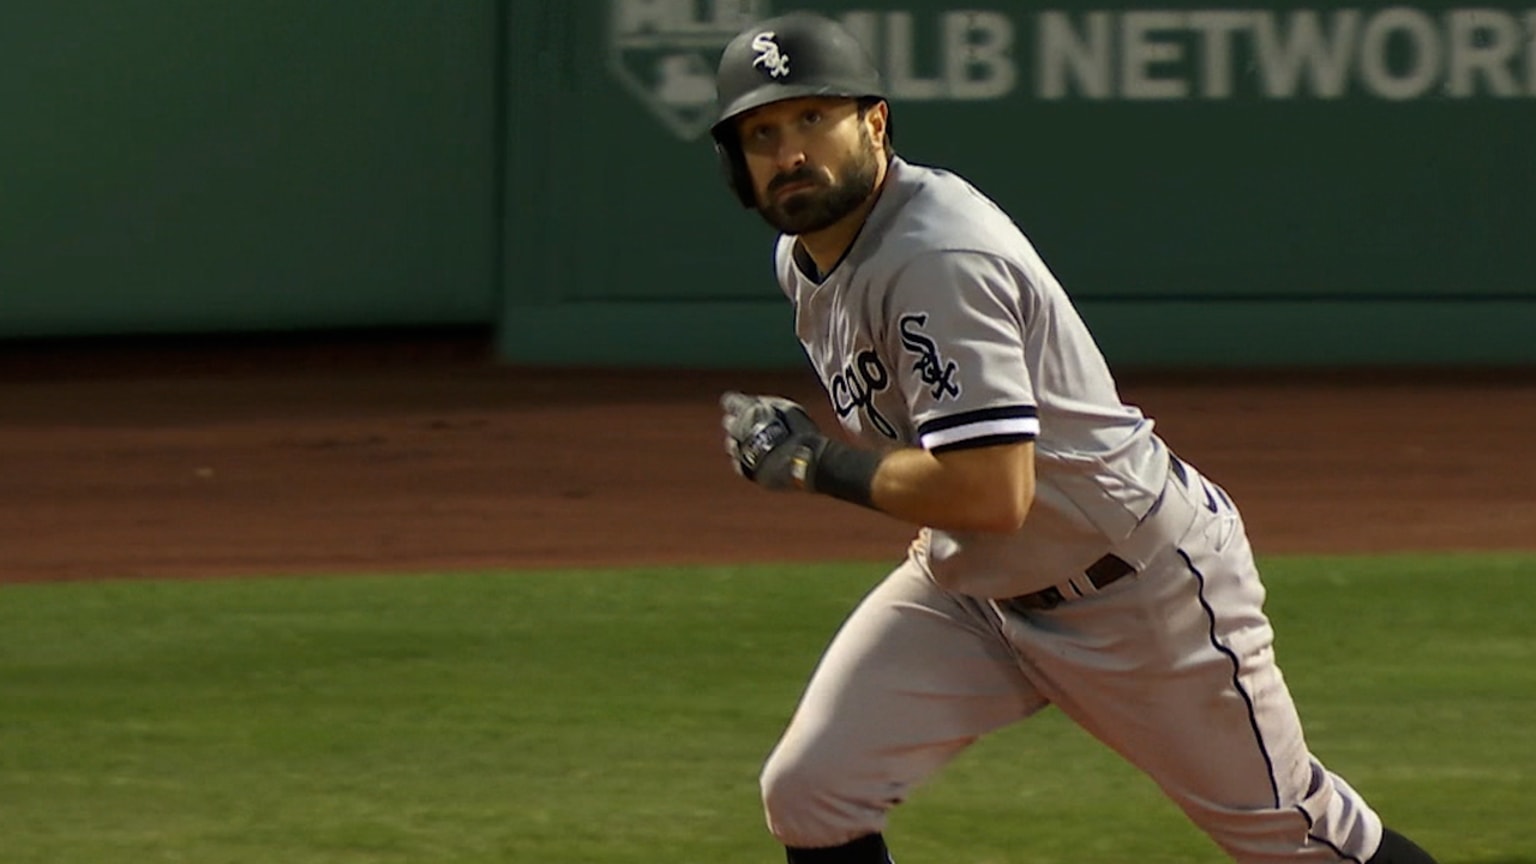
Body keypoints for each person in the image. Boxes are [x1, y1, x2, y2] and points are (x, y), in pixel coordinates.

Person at [710, 12, 1440, 864]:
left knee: (1299, 837)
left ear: (873, 123)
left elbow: (992, 493)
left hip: (1133, 594)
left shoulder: (937, 258)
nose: (790, 151)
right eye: (763, 132)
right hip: (976, 593)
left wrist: (816, 465)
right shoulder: (806, 256)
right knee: (812, 793)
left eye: (811, 119)